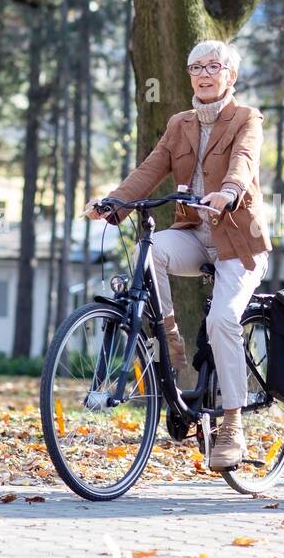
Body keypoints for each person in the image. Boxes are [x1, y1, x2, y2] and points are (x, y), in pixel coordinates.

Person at [87, 40, 271, 470]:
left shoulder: (247, 119)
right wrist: (115, 201)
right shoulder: (180, 124)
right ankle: (169, 338)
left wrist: (229, 192)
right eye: (195, 67)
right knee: (150, 252)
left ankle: (231, 425)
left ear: (231, 75)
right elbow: (151, 169)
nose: (204, 74)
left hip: (238, 242)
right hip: (194, 233)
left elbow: (243, 161)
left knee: (223, 318)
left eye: (213, 66)